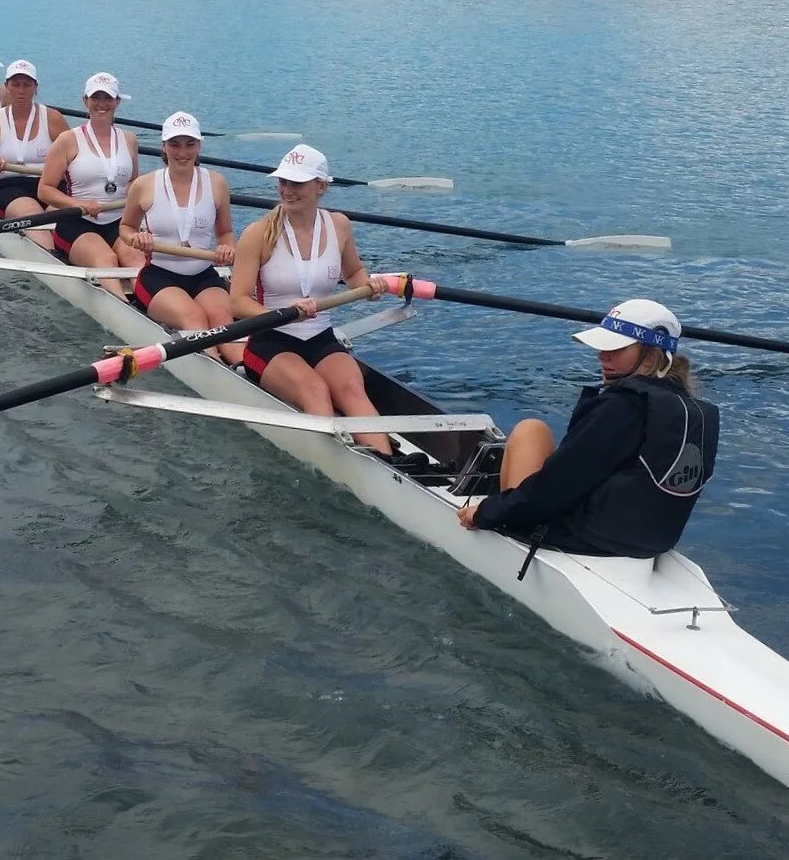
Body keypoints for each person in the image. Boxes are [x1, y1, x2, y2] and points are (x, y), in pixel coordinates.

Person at [456, 299, 718, 559]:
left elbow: (556, 486)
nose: (602, 355)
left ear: (650, 356)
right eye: (603, 347)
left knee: (530, 430)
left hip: (585, 540)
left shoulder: (622, 405)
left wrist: (486, 512)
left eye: (616, 348)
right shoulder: (696, 412)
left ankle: (502, 530)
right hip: (654, 543)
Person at [228, 145, 391, 453]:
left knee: (353, 391)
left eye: (297, 183)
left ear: (321, 186)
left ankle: (390, 466)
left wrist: (368, 286)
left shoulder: (338, 225)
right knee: (315, 390)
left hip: (321, 337)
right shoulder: (258, 233)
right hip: (270, 340)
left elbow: (354, 271)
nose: (287, 190)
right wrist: (287, 312)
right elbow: (237, 303)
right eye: (283, 182)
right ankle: (340, 467)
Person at [120, 111, 239, 361]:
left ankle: (241, 368)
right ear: (163, 147)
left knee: (222, 320)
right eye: (174, 144)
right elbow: (126, 229)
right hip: (159, 277)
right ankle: (218, 375)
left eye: (189, 144)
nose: (182, 152)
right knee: (194, 318)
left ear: (199, 146)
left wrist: (228, 248)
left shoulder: (217, 183)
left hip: (204, 275)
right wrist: (136, 239)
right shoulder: (144, 185)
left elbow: (226, 233)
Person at [37, 72, 144, 297]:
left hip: (119, 222)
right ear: (85, 101)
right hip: (78, 222)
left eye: (108, 98)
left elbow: (135, 184)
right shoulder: (67, 140)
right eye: (96, 98)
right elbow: (45, 190)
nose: (102, 104)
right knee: (106, 259)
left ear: (117, 102)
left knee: (137, 259)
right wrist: (77, 203)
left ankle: (150, 309)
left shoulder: (129, 139)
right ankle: (123, 308)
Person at [0, 59, 68, 251]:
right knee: (33, 215)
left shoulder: (53, 118)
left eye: (27, 85)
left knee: (65, 221)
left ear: (35, 87)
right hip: (12, 187)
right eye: (16, 84)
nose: (21, 90)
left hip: (51, 186)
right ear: (7, 86)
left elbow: (75, 160)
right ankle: (51, 256)